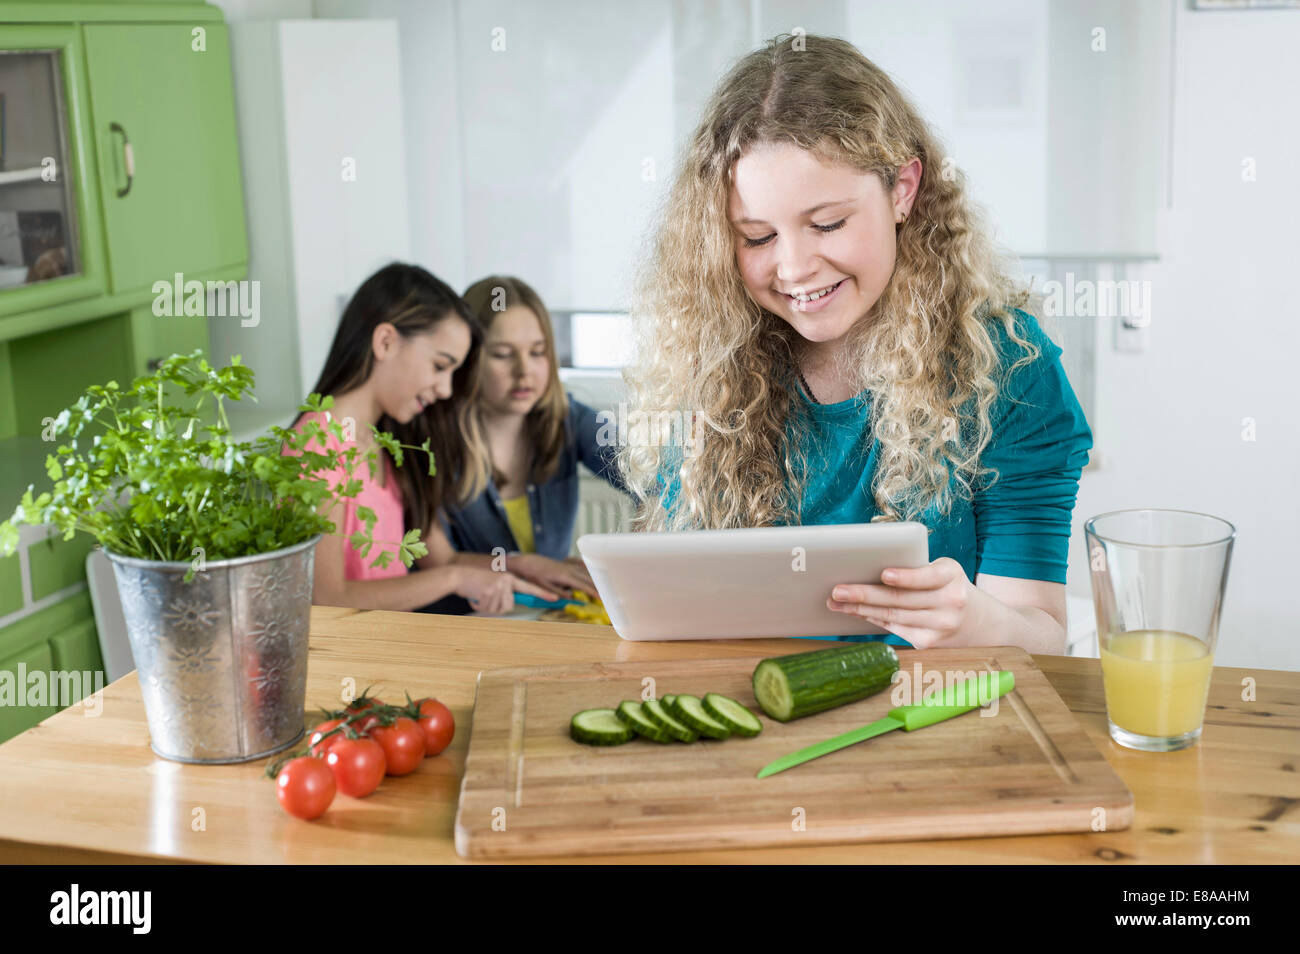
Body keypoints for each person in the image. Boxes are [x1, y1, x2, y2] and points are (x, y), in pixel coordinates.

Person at [617, 34, 1093, 654]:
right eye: (757, 237)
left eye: (827, 224)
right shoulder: (706, 360)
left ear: (902, 189)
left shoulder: (1009, 365)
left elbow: (1043, 636)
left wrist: (974, 621)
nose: (794, 268)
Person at [284, 263, 558, 615]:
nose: (445, 389)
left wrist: (521, 565)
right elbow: (326, 598)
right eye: (440, 366)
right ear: (385, 342)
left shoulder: (385, 442)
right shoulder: (318, 444)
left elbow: (444, 558)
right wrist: (454, 580)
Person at [418, 275, 627, 615]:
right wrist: (521, 564)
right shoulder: (430, 443)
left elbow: (649, 476)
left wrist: (636, 551)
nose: (524, 371)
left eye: (537, 352)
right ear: (466, 359)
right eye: (502, 354)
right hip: (462, 631)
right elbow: (439, 561)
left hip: (548, 621)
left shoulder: (570, 419)